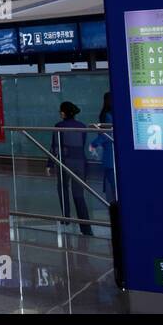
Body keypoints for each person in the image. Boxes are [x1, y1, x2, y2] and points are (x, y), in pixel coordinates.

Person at [51, 101, 93, 235]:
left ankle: (66, 217)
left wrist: (49, 164)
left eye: (60, 110)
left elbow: (55, 147)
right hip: (80, 163)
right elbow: (82, 145)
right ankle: (86, 228)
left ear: (63, 112)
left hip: (65, 162)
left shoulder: (59, 126)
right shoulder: (82, 126)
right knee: (79, 195)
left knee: (62, 188)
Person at [91, 92, 116, 203]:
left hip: (110, 155)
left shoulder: (107, 115)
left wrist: (93, 144)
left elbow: (105, 135)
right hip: (114, 154)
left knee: (112, 184)